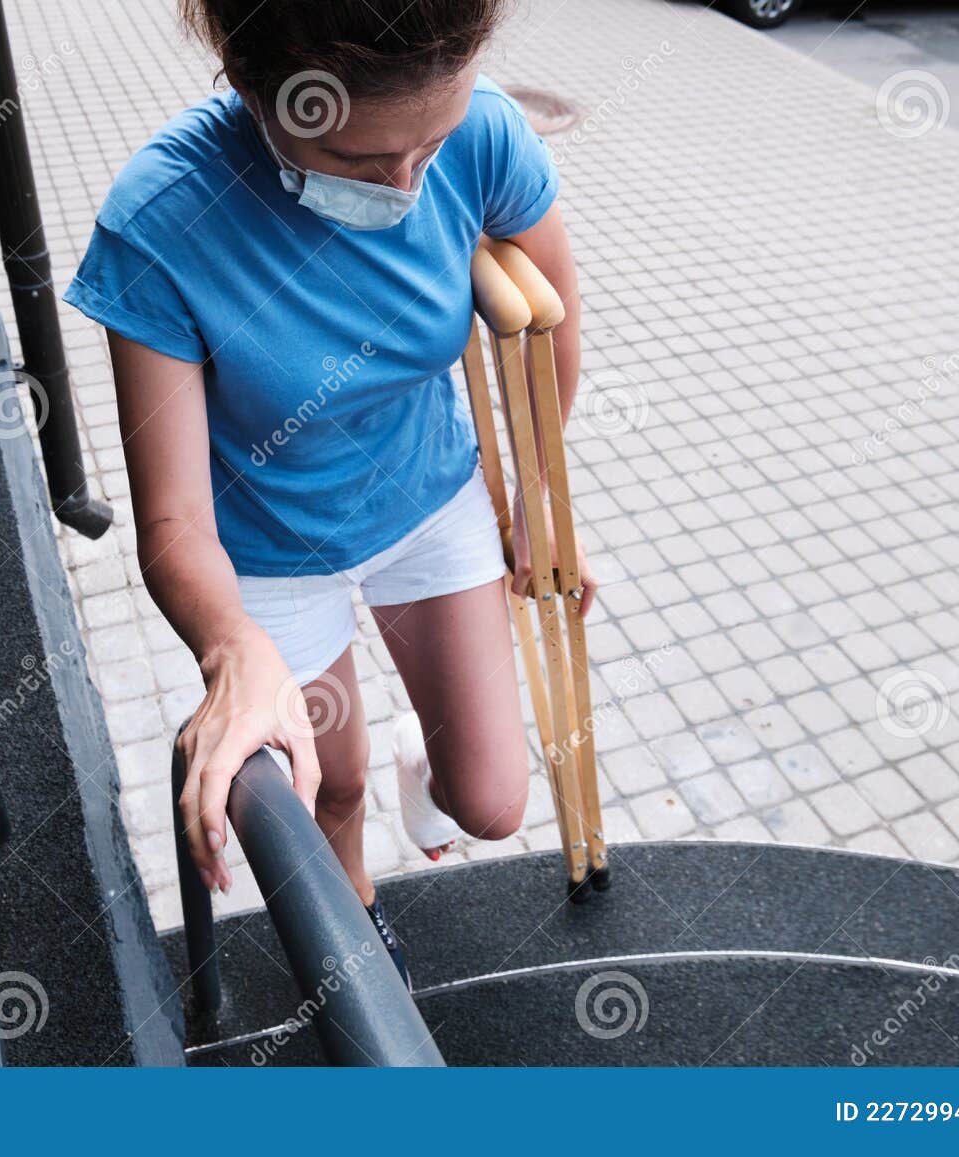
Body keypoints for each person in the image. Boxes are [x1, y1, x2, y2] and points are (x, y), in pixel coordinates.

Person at [63, 0, 596, 986]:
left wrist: (528, 495)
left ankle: (415, 754)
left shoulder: (482, 130)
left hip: (426, 492)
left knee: (488, 802)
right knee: (330, 785)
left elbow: (552, 329)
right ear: (259, 96)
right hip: (264, 545)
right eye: (358, 159)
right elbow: (172, 517)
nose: (404, 183)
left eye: (426, 146)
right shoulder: (162, 221)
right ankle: (359, 919)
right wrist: (229, 649)